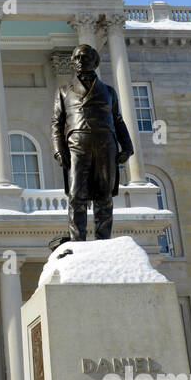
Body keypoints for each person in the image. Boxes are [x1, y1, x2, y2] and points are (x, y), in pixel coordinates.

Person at [51, 44, 134, 242]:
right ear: (72, 62)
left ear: (95, 62)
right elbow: (57, 123)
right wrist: (58, 151)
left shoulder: (108, 91)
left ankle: (104, 240)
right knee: (76, 195)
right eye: (77, 58)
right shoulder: (64, 91)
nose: (81, 62)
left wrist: (128, 147)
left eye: (85, 58)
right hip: (77, 145)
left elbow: (118, 120)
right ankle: (77, 241)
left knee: (104, 196)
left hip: (106, 144)